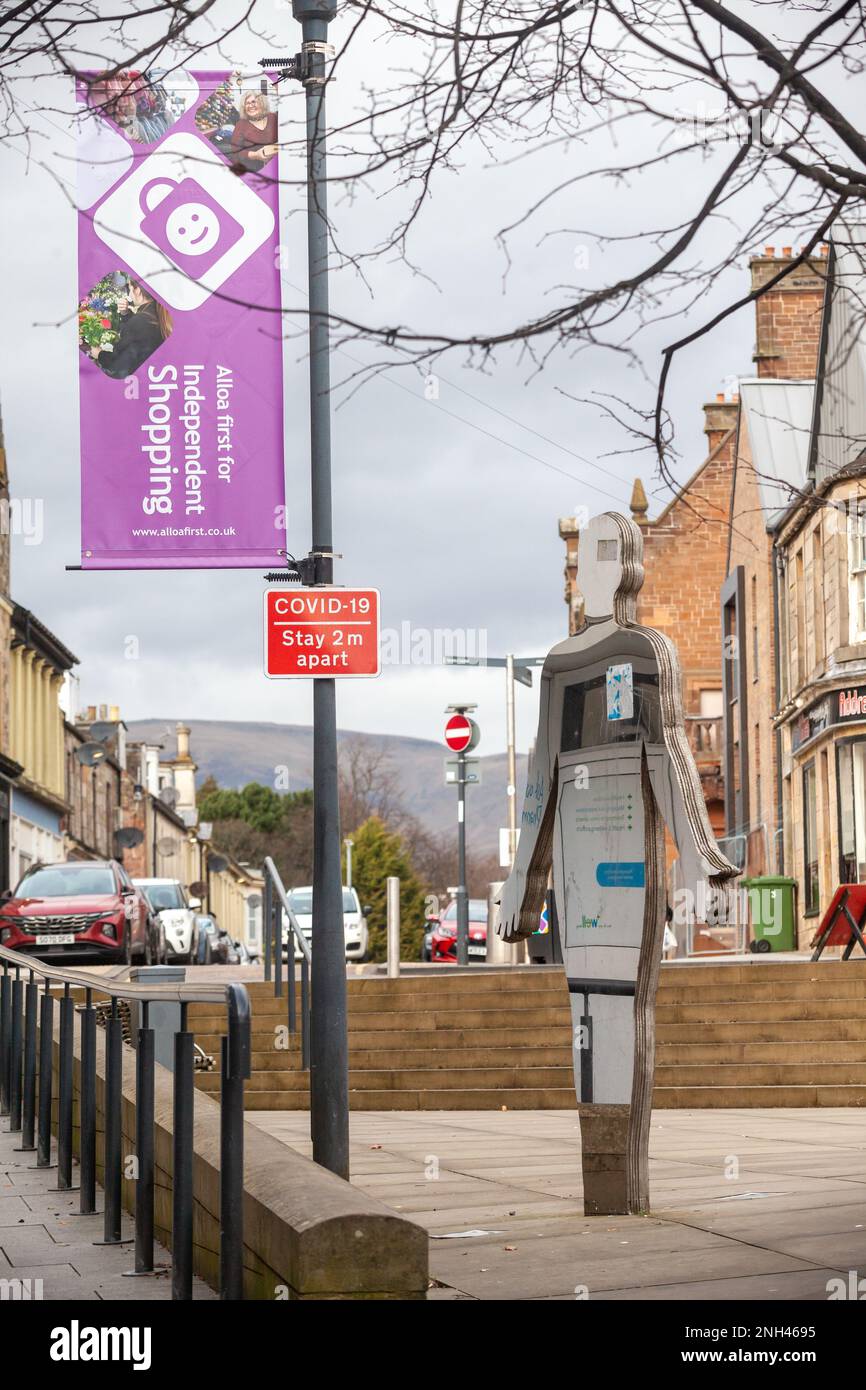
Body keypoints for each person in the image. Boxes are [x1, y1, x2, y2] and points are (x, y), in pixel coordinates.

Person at [497, 512, 738, 1216]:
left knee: (622, 1007)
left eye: (614, 551)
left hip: (627, 861)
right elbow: (542, 769)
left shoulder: (644, 652)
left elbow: (668, 755)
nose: (605, 568)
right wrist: (524, 881)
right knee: (588, 1008)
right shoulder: (559, 664)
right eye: (594, 553)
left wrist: (698, 859)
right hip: (577, 857)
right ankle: (601, 1179)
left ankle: (619, 1181)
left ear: (631, 566)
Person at [92, 280, 172, 379]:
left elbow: (117, 363)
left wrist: (99, 354)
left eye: (129, 289)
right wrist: (126, 314)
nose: (129, 294)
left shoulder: (140, 320)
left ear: (137, 290)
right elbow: (140, 335)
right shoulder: (157, 312)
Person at [229, 91, 278, 173]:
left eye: (253, 102)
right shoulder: (241, 124)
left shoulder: (273, 118)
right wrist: (255, 155)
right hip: (252, 170)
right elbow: (236, 149)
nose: (251, 105)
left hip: (276, 167)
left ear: (262, 103)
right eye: (247, 103)